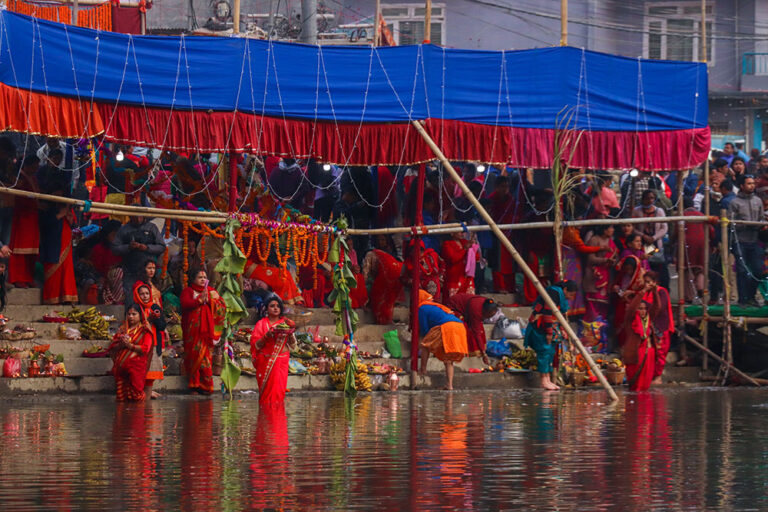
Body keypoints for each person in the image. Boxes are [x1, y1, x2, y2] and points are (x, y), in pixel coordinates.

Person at [180, 269, 226, 395]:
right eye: (200, 277)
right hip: (192, 332)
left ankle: (206, 386)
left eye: (205, 277)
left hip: (207, 332)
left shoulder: (212, 291)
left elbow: (222, 307)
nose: (203, 279)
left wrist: (211, 300)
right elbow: (185, 304)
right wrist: (199, 301)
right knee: (194, 357)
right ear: (193, 279)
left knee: (205, 358)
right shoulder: (188, 291)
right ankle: (194, 385)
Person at [524, 281, 576, 390]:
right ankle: (543, 380)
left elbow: (560, 315)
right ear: (565, 290)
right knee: (544, 352)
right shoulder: (553, 293)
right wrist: (549, 332)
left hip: (553, 326)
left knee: (551, 352)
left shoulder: (560, 296)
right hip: (542, 327)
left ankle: (547, 379)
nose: (571, 298)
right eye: (570, 294)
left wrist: (562, 329)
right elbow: (547, 313)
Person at [250, 295, 297, 405]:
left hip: (281, 362)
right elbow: (256, 345)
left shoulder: (286, 323)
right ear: (267, 309)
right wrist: (267, 336)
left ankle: (277, 419)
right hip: (265, 361)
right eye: (272, 306)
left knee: (278, 393)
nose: (275, 308)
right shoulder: (261, 324)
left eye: (278, 306)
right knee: (266, 396)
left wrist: (290, 334)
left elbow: (294, 345)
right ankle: (266, 418)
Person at [417, 290, 468, 390]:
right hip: (459, 326)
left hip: (447, 326)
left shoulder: (422, 308)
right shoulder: (435, 305)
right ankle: (449, 385)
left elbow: (424, 329)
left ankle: (423, 370)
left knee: (425, 345)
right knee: (449, 359)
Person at [728, 175, 764, 305]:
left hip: (754, 240)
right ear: (742, 186)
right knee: (742, 271)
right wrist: (744, 224)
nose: (752, 186)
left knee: (758, 270)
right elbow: (730, 223)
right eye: (749, 183)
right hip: (740, 241)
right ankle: (742, 299)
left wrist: (761, 224)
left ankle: (751, 296)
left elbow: (761, 218)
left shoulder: (758, 201)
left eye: (753, 183)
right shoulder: (734, 203)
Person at [112, 214, 166, 300]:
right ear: (130, 217)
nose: (138, 219)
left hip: (148, 272)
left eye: (140, 216)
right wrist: (128, 247)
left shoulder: (151, 228)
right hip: (130, 270)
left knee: (150, 297)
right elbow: (115, 248)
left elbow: (161, 246)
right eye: (135, 216)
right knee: (131, 297)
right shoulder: (124, 229)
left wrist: (147, 247)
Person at [109, 304, 153, 402]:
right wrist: (121, 344)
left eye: (134, 314)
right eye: (129, 314)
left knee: (137, 397)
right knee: (121, 400)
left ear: (140, 315)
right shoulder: (122, 330)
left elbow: (145, 349)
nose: (131, 316)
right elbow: (112, 348)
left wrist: (129, 346)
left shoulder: (145, 331)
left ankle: (139, 416)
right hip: (120, 371)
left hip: (136, 370)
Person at [8, 156, 40, 288]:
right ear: (27, 165)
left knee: (31, 251)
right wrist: (35, 205)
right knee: (19, 250)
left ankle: (28, 277)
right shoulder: (19, 177)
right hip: (22, 217)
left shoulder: (33, 178)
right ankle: (17, 277)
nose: (36, 169)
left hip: (32, 218)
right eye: (34, 166)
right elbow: (19, 198)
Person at [133, 272, 165, 399]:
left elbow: (162, 325)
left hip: (153, 344)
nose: (145, 296)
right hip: (138, 344)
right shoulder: (134, 308)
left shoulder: (155, 307)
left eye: (147, 293)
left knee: (150, 375)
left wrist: (154, 319)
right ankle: (143, 396)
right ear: (137, 295)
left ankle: (147, 396)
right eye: (142, 294)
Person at [39, 204, 77, 305]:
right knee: (53, 268)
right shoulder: (47, 206)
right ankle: (52, 298)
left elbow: (74, 225)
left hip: (65, 240)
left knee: (66, 268)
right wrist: (59, 215)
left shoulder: (68, 206)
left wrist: (70, 219)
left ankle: (67, 296)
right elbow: (42, 223)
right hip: (52, 242)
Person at [621, 291, 659, 392]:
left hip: (649, 352)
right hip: (635, 355)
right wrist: (643, 292)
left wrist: (654, 291)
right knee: (635, 385)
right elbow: (632, 308)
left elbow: (657, 307)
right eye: (640, 308)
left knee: (645, 385)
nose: (643, 311)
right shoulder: (630, 319)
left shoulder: (648, 318)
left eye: (645, 309)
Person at [362, 235, 404, 324]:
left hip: (389, 276)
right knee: (385, 300)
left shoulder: (371, 254)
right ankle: (386, 320)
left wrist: (363, 297)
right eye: (379, 240)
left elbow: (365, 274)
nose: (381, 242)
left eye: (383, 240)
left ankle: (383, 320)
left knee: (379, 297)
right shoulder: (377, 254)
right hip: (395, 276)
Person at [445, 293, 498, 365]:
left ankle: (478, 351)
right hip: (453, 307)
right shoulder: (476, 311)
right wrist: (484, 354)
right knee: (465, 328)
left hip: (467, 309)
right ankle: (463, 352)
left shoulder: (486, 303)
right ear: (485, 311)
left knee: (480, 327)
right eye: (489, 316)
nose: (489, 318)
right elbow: (476, 334)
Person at [642, 271, 673, 385]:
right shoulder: (645, 293)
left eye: (648, 282)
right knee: (650, 352)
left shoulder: (661, 292)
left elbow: (659, 307)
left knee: (660, 352)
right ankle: (650, 376)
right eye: (644, 282)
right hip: (649, 327)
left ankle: (657, 377)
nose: (646, 285)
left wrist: (642, 304)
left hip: (661, 326)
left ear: (655, 283)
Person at [583, 225, 618, 322]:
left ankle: (602, 327)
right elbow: (590, 259)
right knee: (593, 302)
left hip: (606, 275)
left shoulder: (611, 241)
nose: (613, 230)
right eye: (611, 228)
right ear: (604, 230)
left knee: (603, 303)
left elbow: (615, 257)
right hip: (594, 275)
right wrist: (605, 260)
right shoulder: (594, 240)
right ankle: (592, 327)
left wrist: (613, 261)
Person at [441, 231, 476, 303]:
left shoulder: (464, 242)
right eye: (459, 232)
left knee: (468, 300)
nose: (461, 234)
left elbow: (477, 258)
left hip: (466, 276)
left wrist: (473, 246)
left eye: (462, 232)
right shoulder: (447, 244)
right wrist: (465, 249)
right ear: (452, 233)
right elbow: (453, 258)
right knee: (453, 301)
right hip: (454, 276)